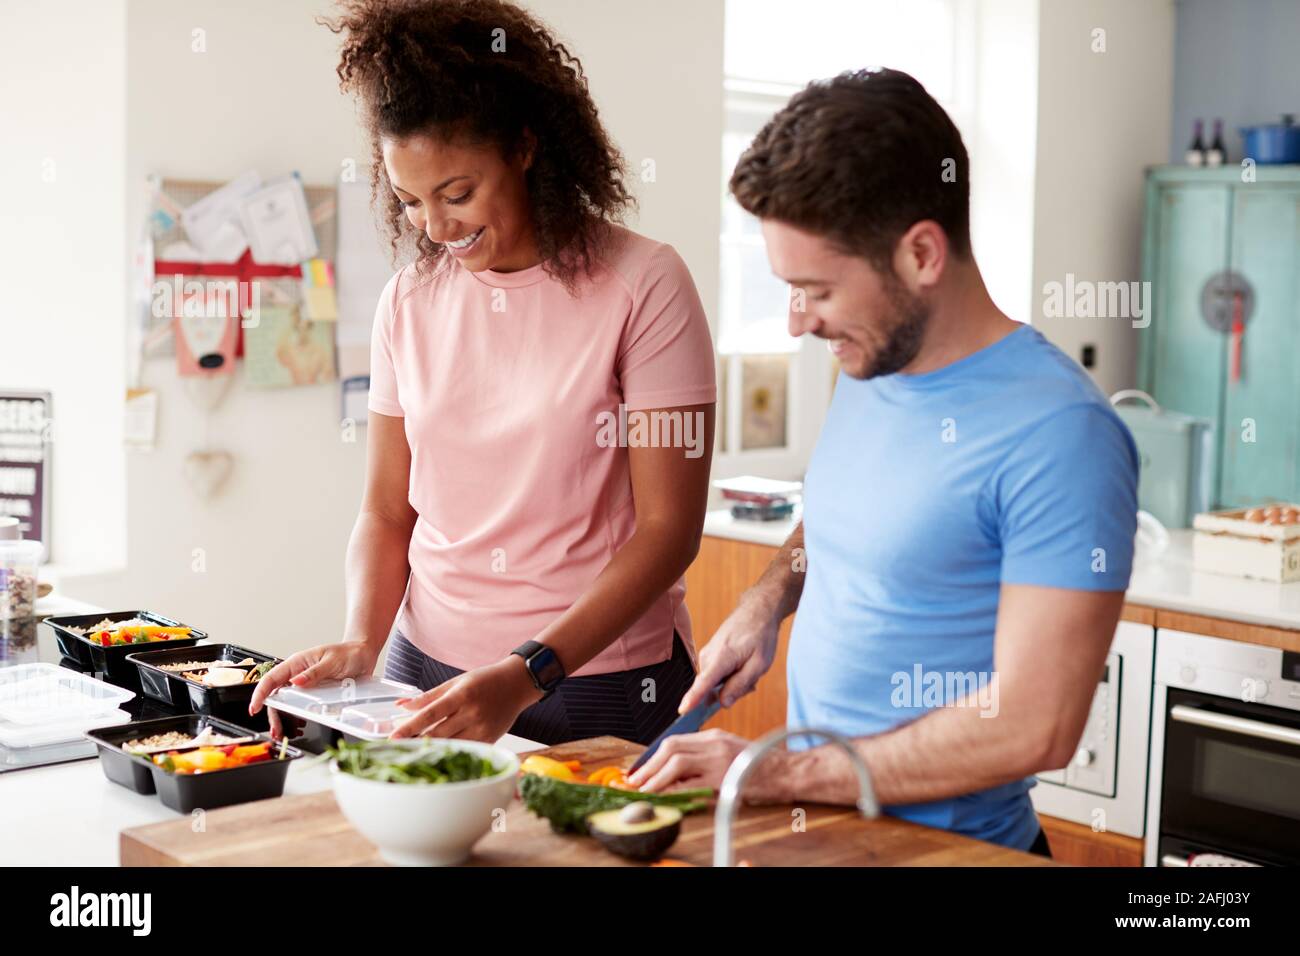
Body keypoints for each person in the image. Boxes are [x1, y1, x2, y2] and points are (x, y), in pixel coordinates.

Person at [629, 69, 1138, 857]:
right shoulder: (869, 366)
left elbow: (1039, 724)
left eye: (815, 289)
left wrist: (778, 774)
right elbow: (845, 514)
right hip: (825, 839)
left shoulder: (1061, 432)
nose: (798, 322)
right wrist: (768, 601)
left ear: (922, 254)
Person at [251, 0, 716, 746]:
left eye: (457, 194)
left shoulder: (648, 284)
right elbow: (386, 510)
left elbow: (668, 532)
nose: (436, 228)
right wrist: (362, 642)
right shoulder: (408, 300)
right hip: (418, 669)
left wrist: (528, 670)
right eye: (410, 201)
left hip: (594, 680)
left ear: (526, 148)